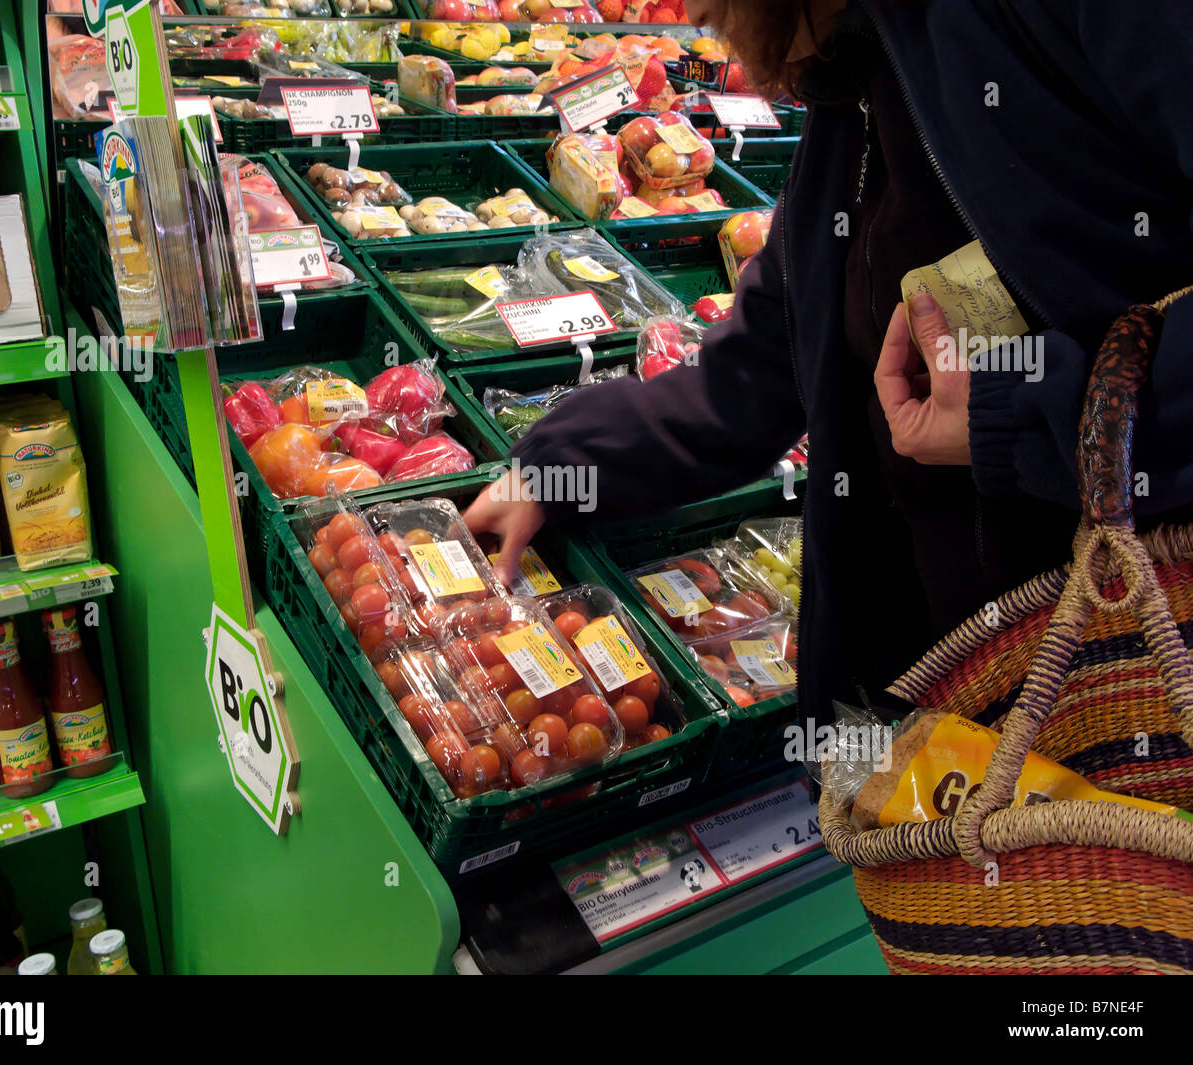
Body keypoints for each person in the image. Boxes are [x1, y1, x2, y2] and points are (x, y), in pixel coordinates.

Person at [464, 0, 1193, 726]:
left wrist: (1030, 418)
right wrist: (563, 466)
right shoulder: (855, 76)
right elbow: (760, 365)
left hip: (1119, 696)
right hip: (924, 710)